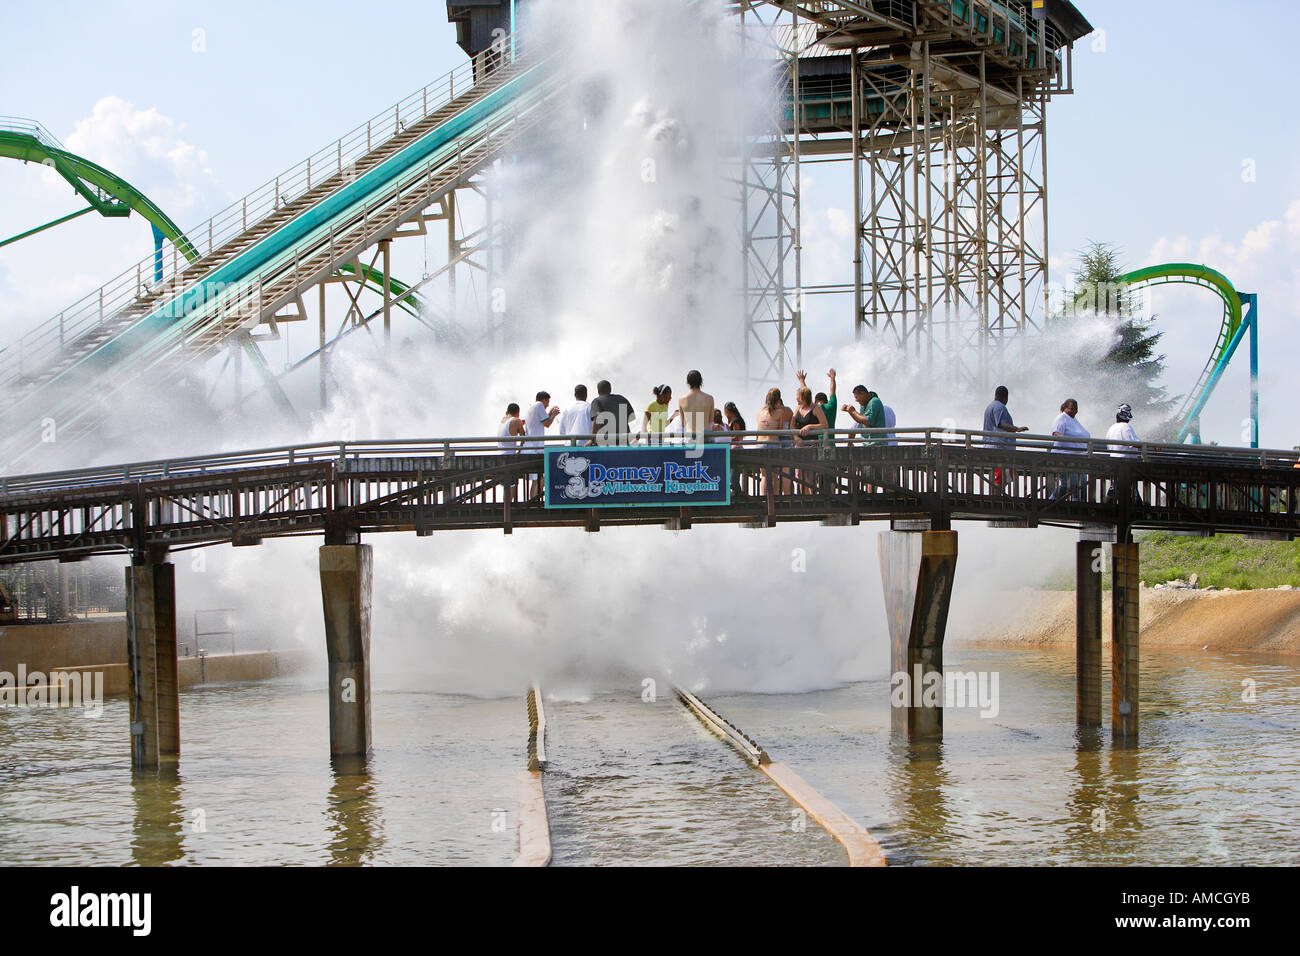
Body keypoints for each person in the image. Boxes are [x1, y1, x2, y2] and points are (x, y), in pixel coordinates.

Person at [983, 385, 1029, 491]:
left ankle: (995, 499)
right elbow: (1001, 424)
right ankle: (995, 501)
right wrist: (1016, 429)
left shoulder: (990, 406)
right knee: (1002, 478)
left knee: (1003, 477)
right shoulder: (1000, 407)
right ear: (1005, 397)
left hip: (992, 446)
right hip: (1000, 449)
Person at [1049, 398, 1091, 500]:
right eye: (1071, 409)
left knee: (1080, 485)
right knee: (1069, 485)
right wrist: (1071, 440)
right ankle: (1050, 502)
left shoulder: (1073, 419)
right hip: (1065, 457)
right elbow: (1056, 433)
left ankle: (1078, 507)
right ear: (1065, 408)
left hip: (1078, 457)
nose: (1074, 411)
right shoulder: (1062, 418)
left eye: (1076, 409)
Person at [757, 388, 794, 495]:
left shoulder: (759, 412)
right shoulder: (780, 412)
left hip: (759, 445)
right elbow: (780, 431)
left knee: (764, 476)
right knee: (774, 475)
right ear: (778, 400)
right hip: (773, 444)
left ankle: (764, 501)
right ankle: (775, 501)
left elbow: (758, 431)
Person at [524, 391, 561, 500]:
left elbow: (543, 420)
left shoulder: (532, 408)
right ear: (543, 399)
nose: (548, 404)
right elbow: (547, 424)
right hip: (535, 449)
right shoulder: (539, 405)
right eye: (547, 402)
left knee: (539, 479)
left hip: (530, 448)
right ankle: (533, 502)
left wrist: (550, 413)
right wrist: (554, 414)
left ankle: (533, 501)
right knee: (538, 480)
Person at [1105, 403, 1141, 503]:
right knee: (1129, 489)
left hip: (1114, 463)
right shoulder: (1126, 427)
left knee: (1116, 487)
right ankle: (1139, 510)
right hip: (1126, 464)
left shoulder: (1111, 428)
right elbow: (1134, 443)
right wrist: (1151, 447)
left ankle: (1107, 508)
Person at [670, 369, 716, 445]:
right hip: (706, 433)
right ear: (701, 381)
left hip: (690, 434)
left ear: (688, 382)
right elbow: (711, 421)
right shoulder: (709, 398)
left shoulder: (681, 399)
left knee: (692, 457)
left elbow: (683, 423)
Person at [589, 379, 635, 446]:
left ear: (598, 391)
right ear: (610, 389)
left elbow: (597, 420)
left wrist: (591, 440)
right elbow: (631, 418)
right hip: (623, 442)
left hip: (604, 444)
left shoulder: (597, 401)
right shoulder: (622, 399)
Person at [797, 369, 837, 445]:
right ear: (827, 400)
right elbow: (833, 390)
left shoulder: (815, 408)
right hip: (831, 444)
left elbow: (806, 396)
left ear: (815, 401)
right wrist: (832, 378)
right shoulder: (831, 406)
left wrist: (802, 381)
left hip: (817, 443)